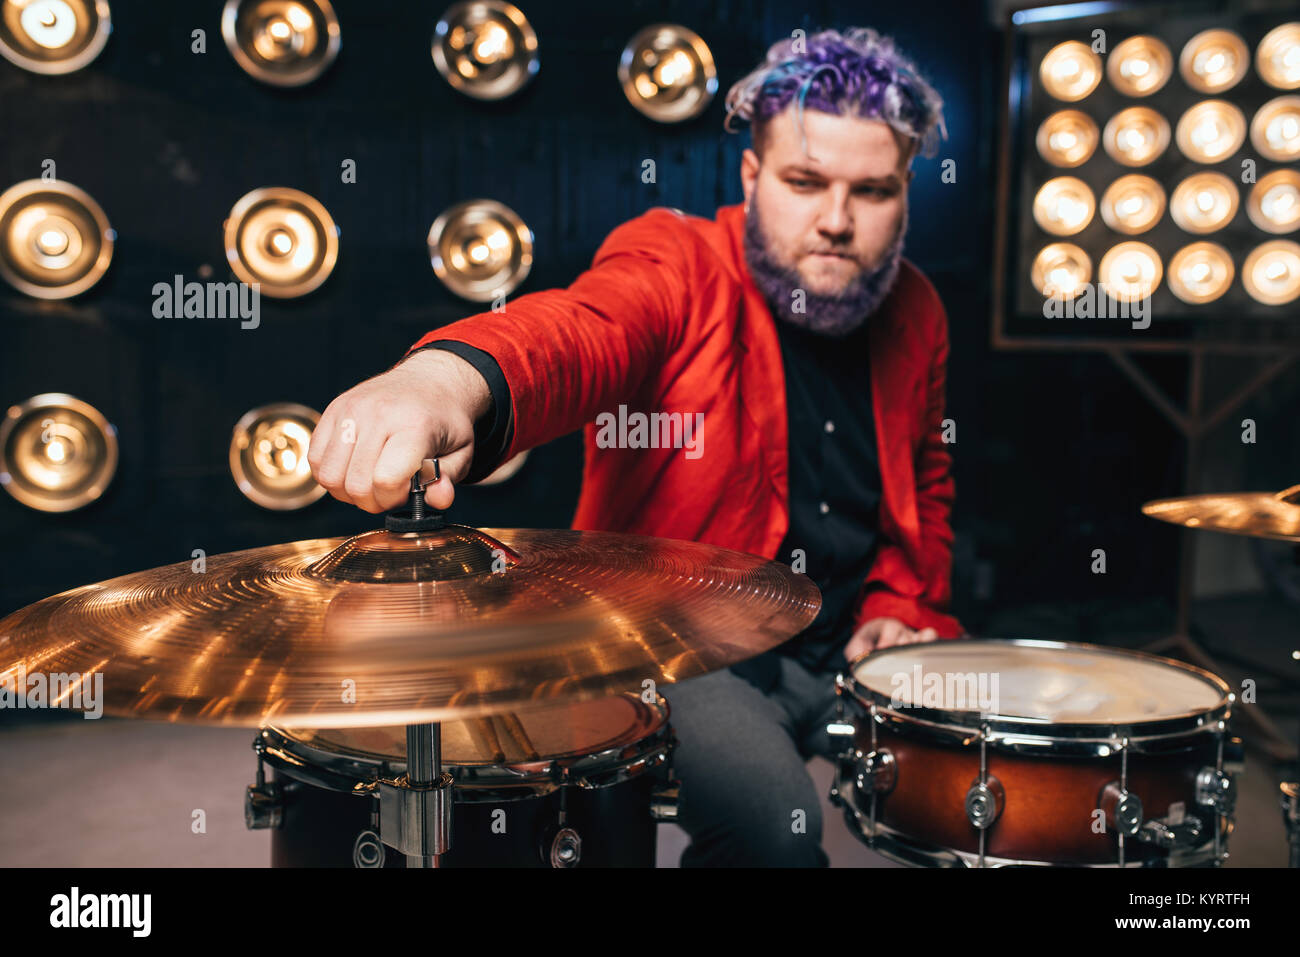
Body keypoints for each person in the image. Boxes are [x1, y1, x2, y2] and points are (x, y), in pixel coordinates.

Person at [308, 27, 965, 866]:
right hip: (692, 648)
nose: (836, 221)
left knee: (1017, 799)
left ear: (906, 192)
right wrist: (445, 380)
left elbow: (928, 477)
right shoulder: (679, 258)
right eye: (806, 183)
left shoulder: (918, 307)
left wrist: (903, 601)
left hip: (849, 644)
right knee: (777, 840)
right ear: (754, 176)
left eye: (871, 191)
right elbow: (581, 332)